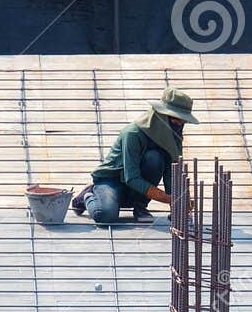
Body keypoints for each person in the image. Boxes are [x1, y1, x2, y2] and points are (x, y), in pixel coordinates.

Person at [72, 89, 198, 225]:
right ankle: (88, 195)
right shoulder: (133, 134)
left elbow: (172, 172)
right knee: (105, 215)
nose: (180, 124)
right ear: (161, 116)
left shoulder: (174, 136)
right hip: (112, 181)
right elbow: (131, 177)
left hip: (136, 188)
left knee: (155, 158)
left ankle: (140, 207)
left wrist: (178, 206)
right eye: (176, 119)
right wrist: (167, 198)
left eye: (183, 121)